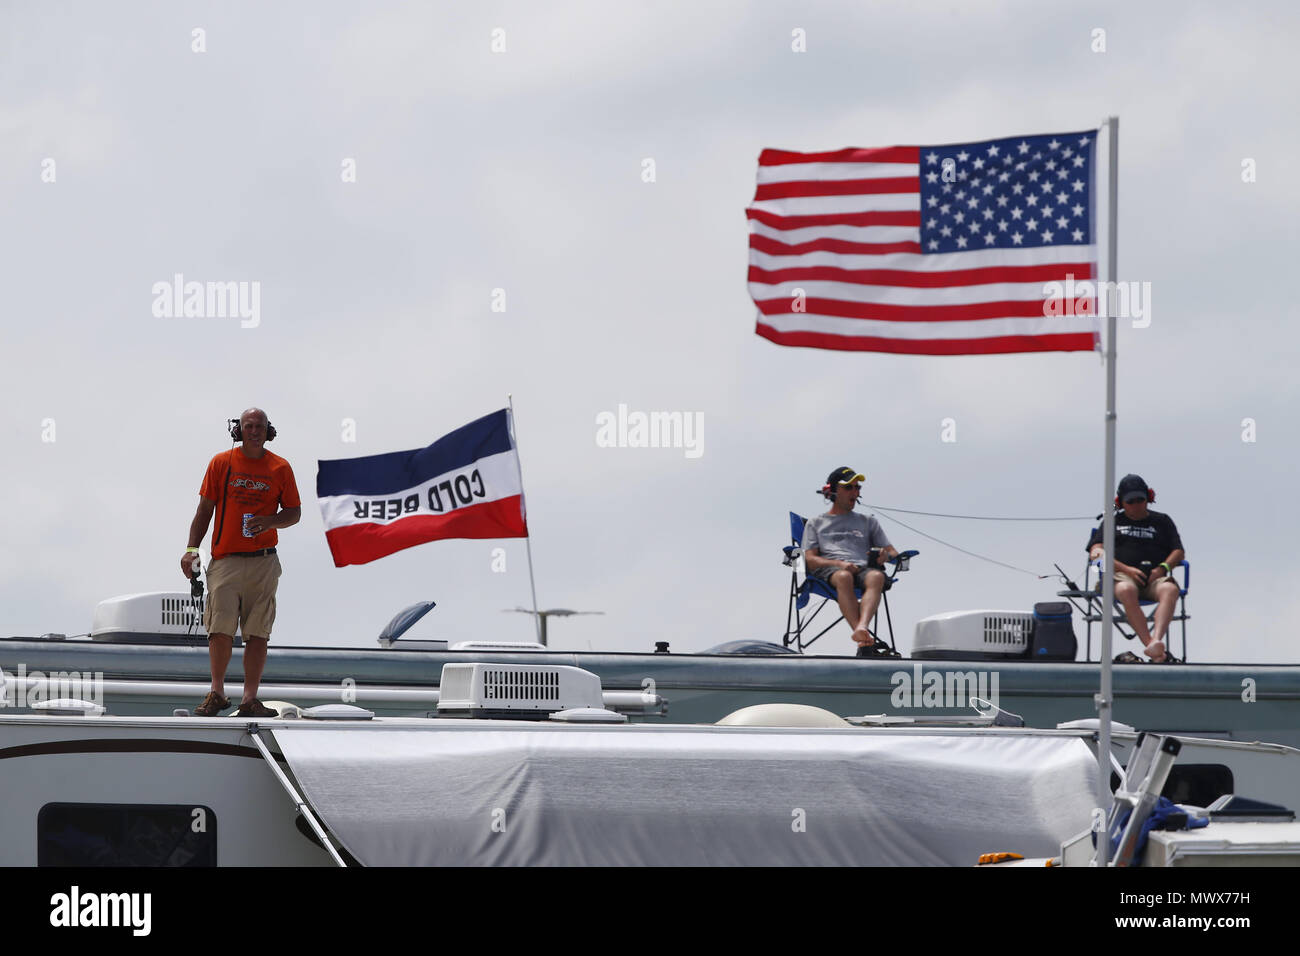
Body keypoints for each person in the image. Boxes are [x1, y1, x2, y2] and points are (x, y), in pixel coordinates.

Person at [182, 408, 301, 716]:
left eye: (259, 426)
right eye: (248, 426)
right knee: (219, 629)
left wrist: (270, 521)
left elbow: (294, 513)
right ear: (239, 430)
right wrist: (192, 549)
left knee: (258, 631)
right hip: (226, 560)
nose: (254, 431)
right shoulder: (222, 463)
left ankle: (250, 699)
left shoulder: (280, 468)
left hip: (263, 561)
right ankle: (217, 692)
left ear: (268, 431)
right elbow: (204, 510)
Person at [1086, 473, 1184, 663]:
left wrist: (1162, 569)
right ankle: (1153, 647)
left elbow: (1178, 552)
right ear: (1121, 502)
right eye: (1131, 501)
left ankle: (1156, 641)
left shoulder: (1162, 521)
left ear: (1149, 498)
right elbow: (1095, 553)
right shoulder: (1112, 522)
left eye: (1141, 499)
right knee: (1126, 589)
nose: (1137, 505)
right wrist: (1126, 569)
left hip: (1154, 578)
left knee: (1170, 589)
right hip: (1120, 578)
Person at [801, 467, 899, 655]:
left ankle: (861, 629)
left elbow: (892, 552)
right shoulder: (815, 523)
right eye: (849, 488)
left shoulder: (868, 521)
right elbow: (810, 559)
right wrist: (839, 564)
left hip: (863, 568)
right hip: (830, 569)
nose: (855, 492)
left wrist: (885, 556)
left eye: (857, 488)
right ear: (832, 492)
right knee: (844, 576)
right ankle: (866, 643)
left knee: (877, 577)